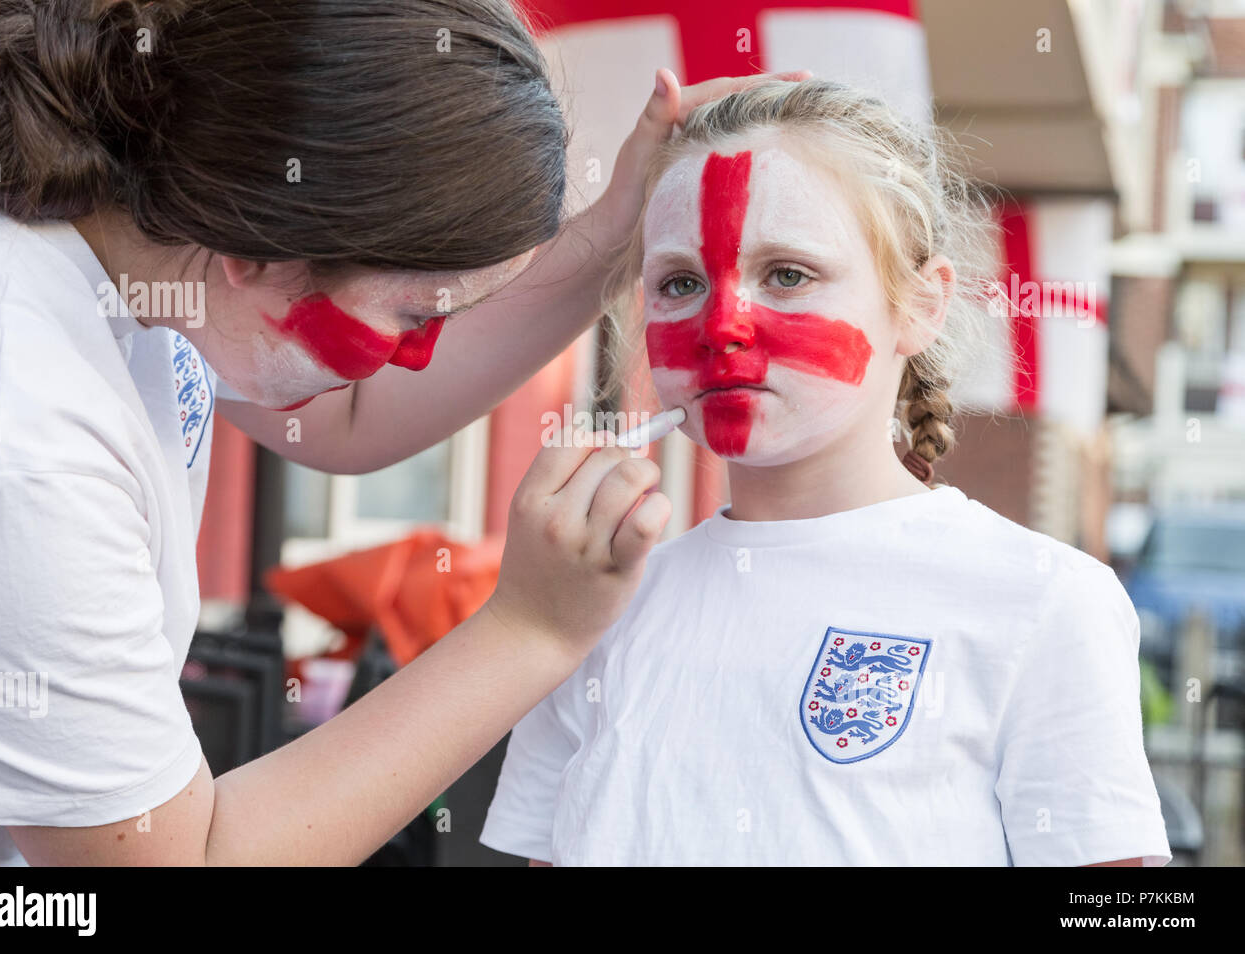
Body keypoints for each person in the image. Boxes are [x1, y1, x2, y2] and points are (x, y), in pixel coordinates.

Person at [0, 0, 805, 865]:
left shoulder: (150, 228)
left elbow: (344, 420)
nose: (421, 356)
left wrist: (616, 226)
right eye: (414, 313)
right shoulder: (12, 430)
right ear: (263, 252)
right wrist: (532, 629)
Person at [480, 78, 1174, 866]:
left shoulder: (1045, 598)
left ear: (920, 304)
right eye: (680, 283)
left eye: (788, 273)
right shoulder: (589, 601)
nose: (723, 328)